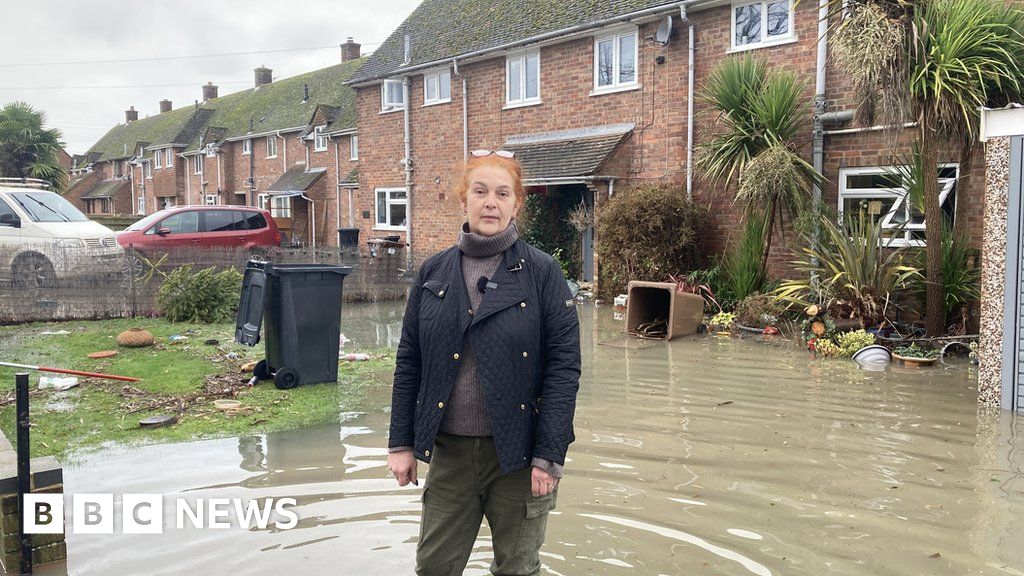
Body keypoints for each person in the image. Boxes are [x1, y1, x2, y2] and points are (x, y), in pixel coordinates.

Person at [386, 149, 581, 576]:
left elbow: (564, 369)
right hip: (450, 452)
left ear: (516, 204)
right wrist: (401, 443)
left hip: (520, 454)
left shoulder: (544, 273)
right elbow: (409, 361)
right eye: (480, 191)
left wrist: (549, 454)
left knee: (517, 568)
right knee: (434, 566)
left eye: (502, 193)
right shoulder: (432, 272)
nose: (490, 202)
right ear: (463, 199)